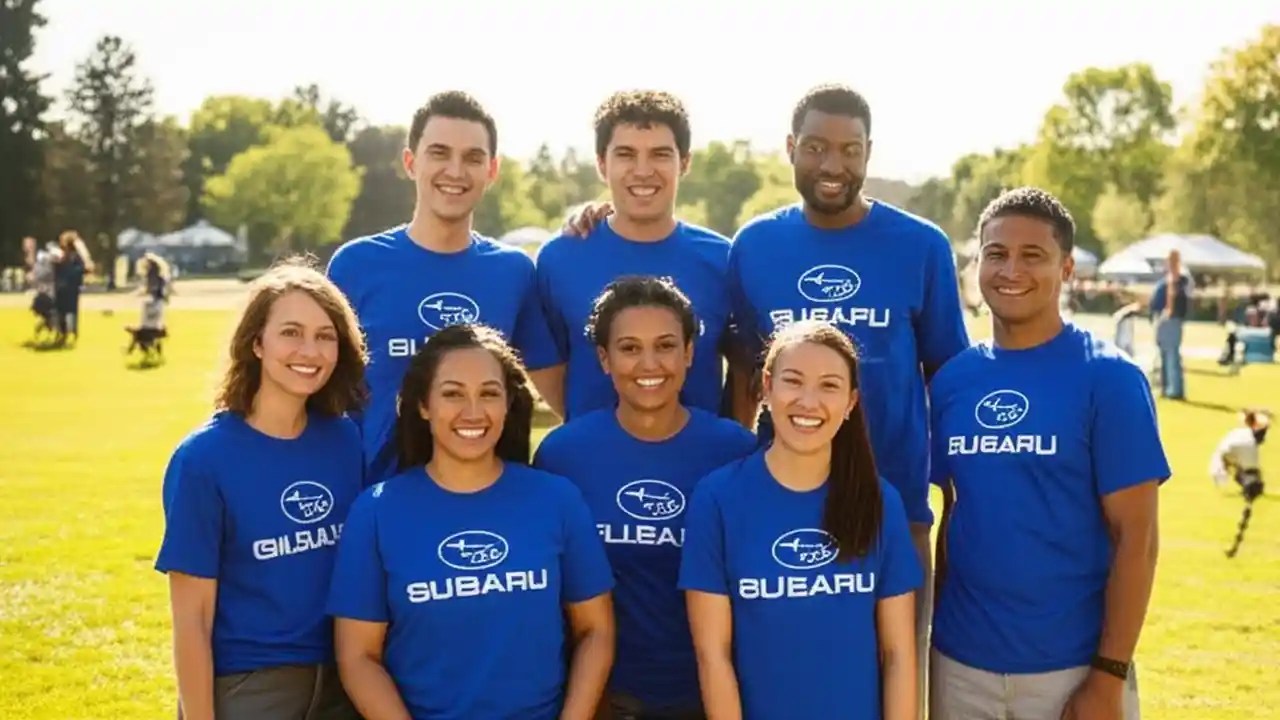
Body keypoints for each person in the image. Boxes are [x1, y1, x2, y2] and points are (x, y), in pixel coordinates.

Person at [723, 84, 969, 702]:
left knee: (896, 679)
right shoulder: (753, 246)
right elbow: (745, 378)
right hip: (778, 508)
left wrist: (957, 482)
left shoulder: (922, 246)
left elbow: (950, 377)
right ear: (789, 149)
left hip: (896, 508)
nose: (833, 165)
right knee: (782, 683)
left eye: (849, 149)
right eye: (815, 147)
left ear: (868, 153)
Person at [928, 188, 1169, 720]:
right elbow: (954, 513)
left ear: (1066, 271)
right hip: (959, 665)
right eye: (995, 254)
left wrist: (1109, 675)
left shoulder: (1109, 378)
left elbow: (1139, 538)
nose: (1011, 268)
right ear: (976, 265)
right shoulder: (952, 382)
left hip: (1072, 669)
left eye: (1032, 255)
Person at [326, 323, 616, 720]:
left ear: (508, 404)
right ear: (423, 405)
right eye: (452, 394)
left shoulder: (556, 500)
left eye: (489, 394)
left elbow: (595, 631)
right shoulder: (376, 512)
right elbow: (359, 657)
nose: (473, 412)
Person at [154, 258, 369, 720]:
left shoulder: (346, 440)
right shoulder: (202, 460)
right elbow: (192, 619)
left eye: (325, 336)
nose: (309, 351)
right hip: (251, 687)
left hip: (342, 683)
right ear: (256, 342)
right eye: (291, 332)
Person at [534, 276, 758, 719]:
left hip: (711, 695)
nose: (649, 363)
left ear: (690, 352)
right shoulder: (563, 456)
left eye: (666, 345)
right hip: (604, 697)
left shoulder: (735, 452)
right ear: (604, 359)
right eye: (630, 348)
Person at [677, 319, 921, 719]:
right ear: (767, 387)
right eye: (793, 381)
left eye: (829, 386)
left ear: (851, 403)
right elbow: (713, 655)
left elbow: (897, 655)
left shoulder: (878, 501)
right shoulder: (718, 498)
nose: (808, 402)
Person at [327, 90, 563, 486]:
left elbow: (565, 397)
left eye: (473, 158)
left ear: (492, 170)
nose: (455, 170)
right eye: (439, 153)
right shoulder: (356, 266)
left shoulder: (513, 272)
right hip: (376, 503)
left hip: (486, 509)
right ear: (410, 162)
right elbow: (316, 395)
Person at [539, 90, 734, 422]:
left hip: (702, 468)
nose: (643, 171)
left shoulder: (723, 260)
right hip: (591, 468)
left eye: (660, 154)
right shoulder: (559, 259)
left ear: (684, 163)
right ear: (602, 164)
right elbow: (547, 368)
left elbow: (744, 371)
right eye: (626, 154)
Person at [1148, 248, 1191, 400]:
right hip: (1163, 318)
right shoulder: (1167, 280)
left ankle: (1174, 389)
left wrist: (1168, 311)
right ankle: (1166, 387)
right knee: (1164, 354)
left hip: (1170, 319)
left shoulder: (1177, 280)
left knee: (1171, 354)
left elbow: (1172, 295)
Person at [53, 230, 93, 346]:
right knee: (63, 312)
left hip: (70, 287)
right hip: (63, 287)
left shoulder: (76, 256)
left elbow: (82, 269)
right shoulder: (61, 255)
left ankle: (71, 333)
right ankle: (64, 333)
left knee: (69, 312)